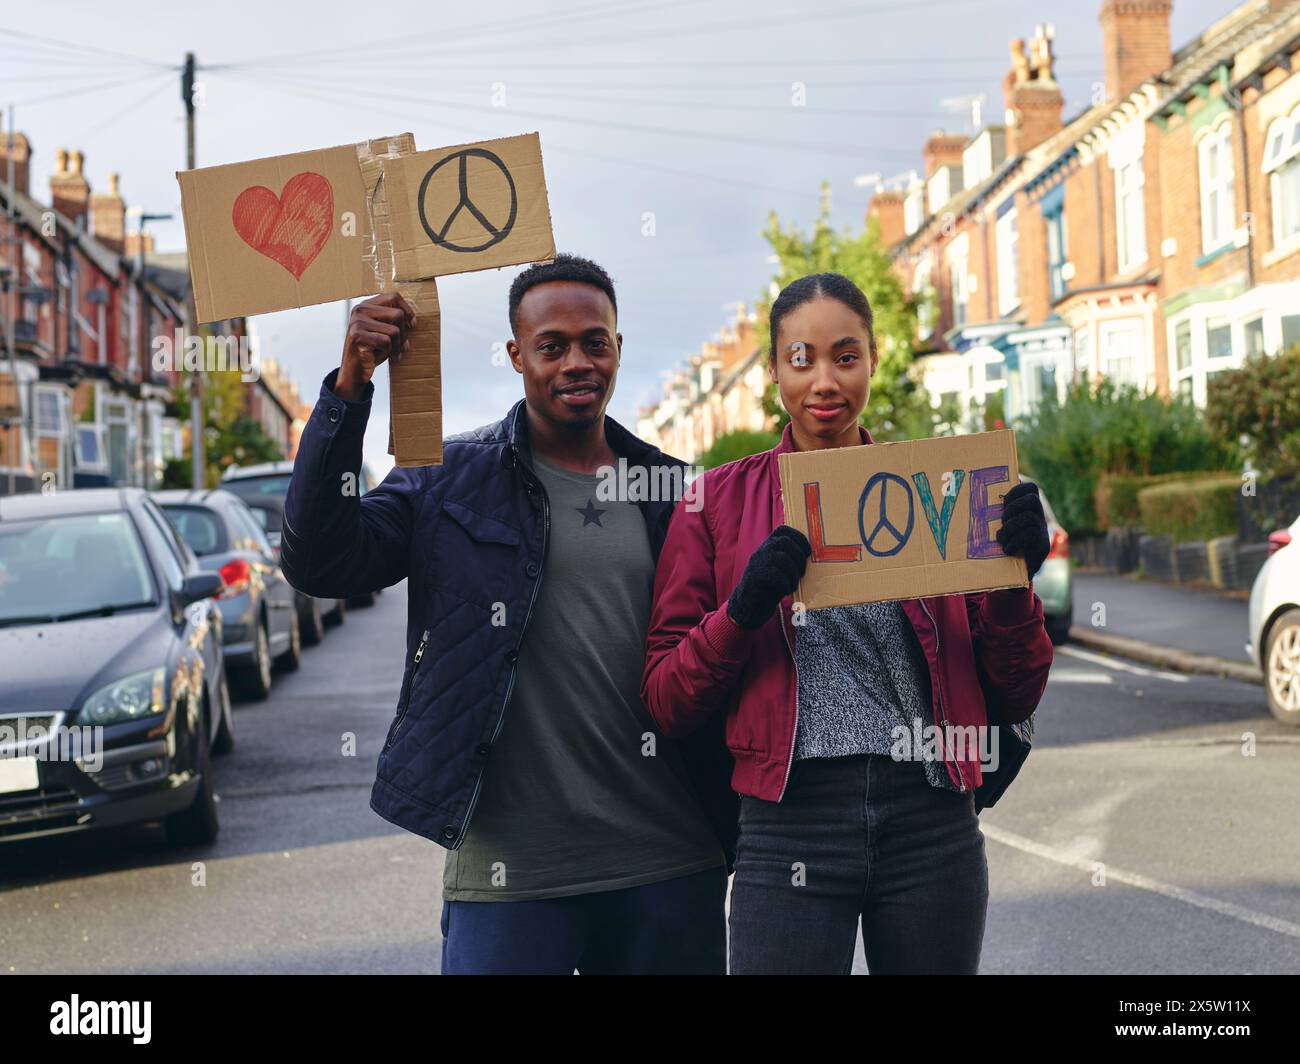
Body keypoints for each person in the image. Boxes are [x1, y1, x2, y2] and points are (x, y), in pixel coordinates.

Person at [281, 254, 734, 975]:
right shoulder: (445, 478)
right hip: (510, 875)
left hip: (666, 862)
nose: (577, 361)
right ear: (515, 355)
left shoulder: (674, 491)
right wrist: (349, 388)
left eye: (596, 341)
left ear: (619, 349)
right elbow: (322, 562)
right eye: (552, 345)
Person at [641, 272, 1053, 975]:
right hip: (789, 821)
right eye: (800, 359)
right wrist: (740, 613)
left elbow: (1016, 692)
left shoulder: (941, 492)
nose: (824, 380)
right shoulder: (711, 502)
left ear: (873, 359)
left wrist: (1016, 583)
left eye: (845, 355)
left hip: (932, 820)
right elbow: (667, 698)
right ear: (772, 369)